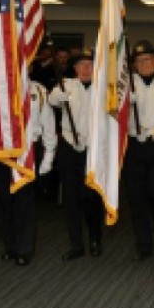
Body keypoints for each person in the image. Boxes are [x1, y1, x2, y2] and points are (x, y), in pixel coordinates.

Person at [0, 80, 56, 265]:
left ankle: (25, 249)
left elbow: (48, 126)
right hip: (4, 151)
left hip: (28, 151)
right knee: (4, 200)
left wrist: (49, 156)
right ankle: (10, 246)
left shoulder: (38, 90)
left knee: (25, 201)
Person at [48, 49, 104, 260]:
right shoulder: (66, 85)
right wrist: (58, 96)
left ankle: (95, 239)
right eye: (81, 64)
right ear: (75, 68)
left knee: (91, 197)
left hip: (93, 148)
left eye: (90, 64)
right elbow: (52, 100)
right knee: (71, 198)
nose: (86, 68)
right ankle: (76, 244)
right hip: (69, 147)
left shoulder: (101, 88)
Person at [123, 40, 154, 261]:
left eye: (148, 59)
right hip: (134, 146)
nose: (143, 64)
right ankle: (144, 243)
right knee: (136, 197)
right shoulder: (126, 84)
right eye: (139, 60)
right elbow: (110, 113)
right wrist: (122, 106)